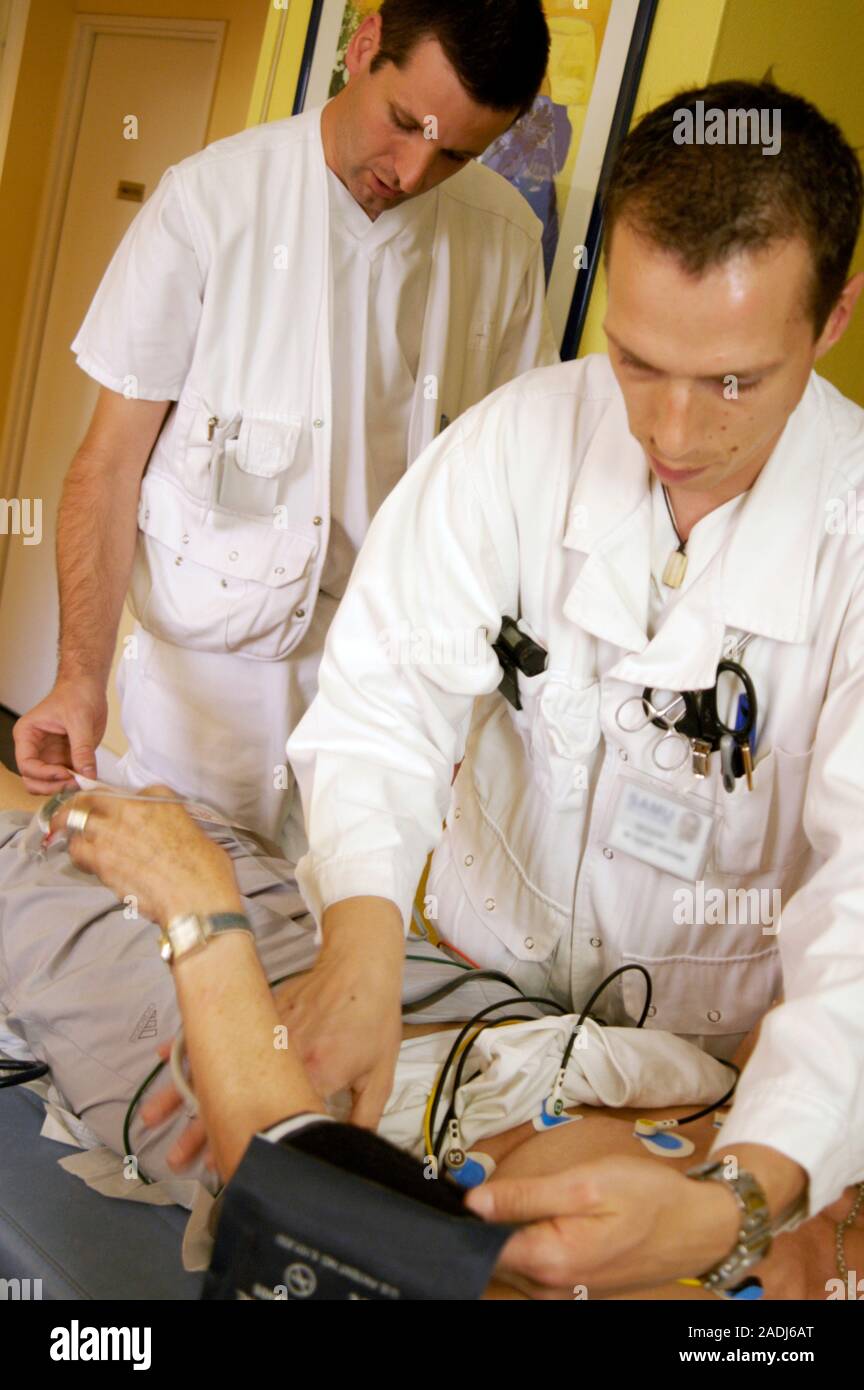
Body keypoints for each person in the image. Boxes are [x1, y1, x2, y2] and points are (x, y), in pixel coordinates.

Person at [280, 80, 864, 1293]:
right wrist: (359, 942)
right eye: (638, 360)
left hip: (721, 1065)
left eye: (734, 382)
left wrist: (746, 1195)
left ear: (836, 317)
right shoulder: (511, 446)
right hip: (466, 975)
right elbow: (380, 708)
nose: (672, 427)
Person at [13, 0, 558, 851]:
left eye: (455, 152)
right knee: (179, 932)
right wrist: (78, 676)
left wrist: (476, 712)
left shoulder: (505, 244)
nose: (414, 171)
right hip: (208, 690)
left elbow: (504, 500)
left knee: (328, 953)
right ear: (365, 45)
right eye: (405, 124)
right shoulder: (209, 204)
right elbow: (109, 464)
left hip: (385, 697)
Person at [1, 765, 861, 1299]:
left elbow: (328, 1237)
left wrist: (199, 912)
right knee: (111, 819)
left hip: (269, 1092)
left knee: (29, 885)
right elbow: (813, 1030)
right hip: (448, 1007)